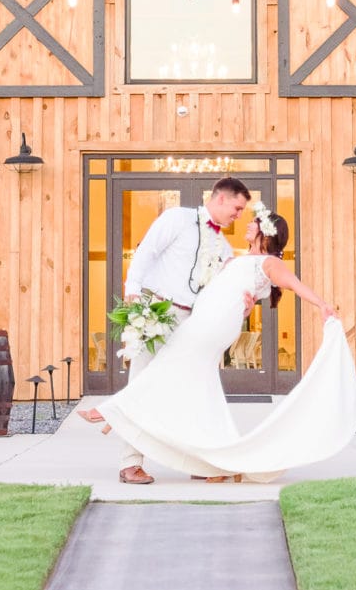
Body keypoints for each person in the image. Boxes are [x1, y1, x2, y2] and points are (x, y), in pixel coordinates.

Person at [96, 205, 356, 484]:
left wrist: (321, 304)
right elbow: (218, 291)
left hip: (204, 327)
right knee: (181, 387)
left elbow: (293, 284)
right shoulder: (231, 258)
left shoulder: (265, 262)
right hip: (181, 316)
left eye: (254, 222)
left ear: (266, 231)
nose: (247, 224)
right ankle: (170, 457)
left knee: (166, 379)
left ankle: (120, 414)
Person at [77, 175, 251, 485]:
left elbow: (220, 292)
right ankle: (130, 463)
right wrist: (133, 290)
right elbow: (147, 252)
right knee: (143, 384)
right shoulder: (177, 219)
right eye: (237, 208)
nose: (238, 215)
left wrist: (243, 306)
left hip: (193, 323)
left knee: (191, 389)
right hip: (158, 309)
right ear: (221, 198)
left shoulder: (225, 248)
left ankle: (198, 460)